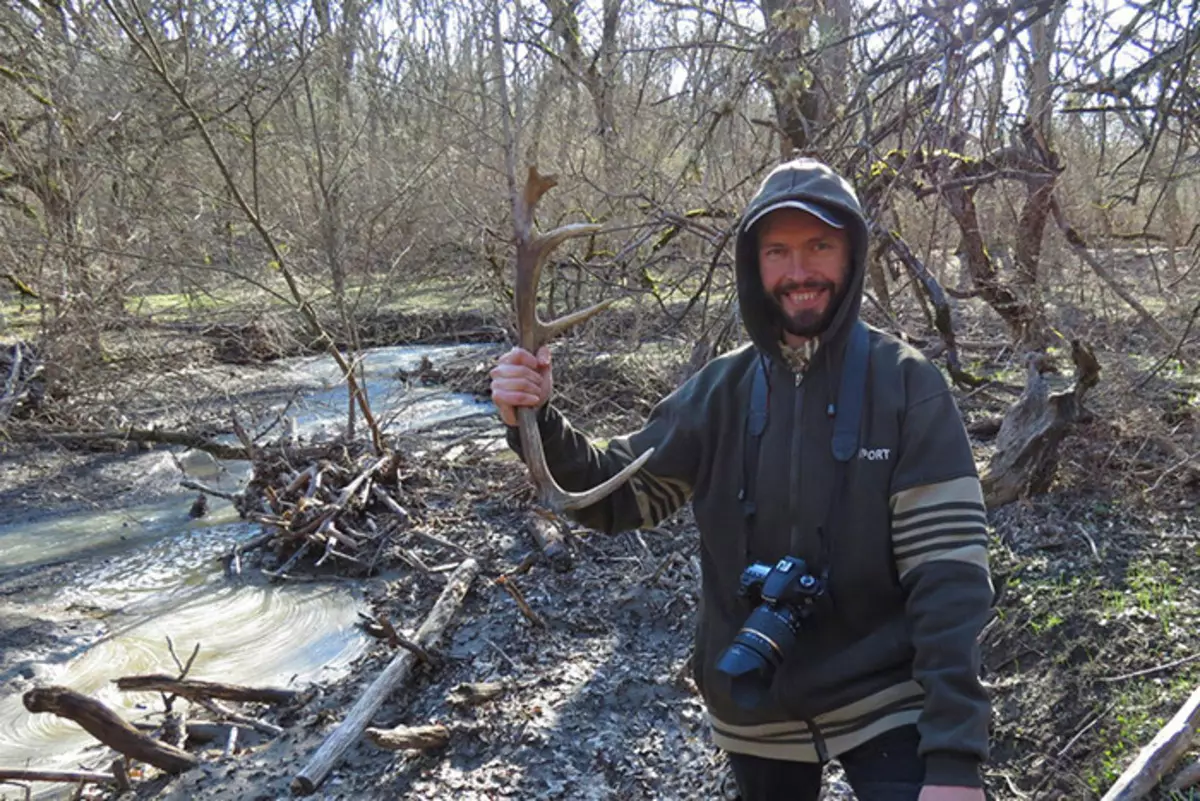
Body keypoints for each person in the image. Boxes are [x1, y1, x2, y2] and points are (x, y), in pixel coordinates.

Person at [490, 159, 992, 801]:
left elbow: (949, 578)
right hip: (756, 703)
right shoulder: (721, 392)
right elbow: (618, 495)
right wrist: (533, 418)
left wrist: (955, 761)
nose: (799, 271)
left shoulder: (908, 385)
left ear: (853, 255)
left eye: (820, 246)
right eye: (777, 250)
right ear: (753, 265)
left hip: (888, 698)